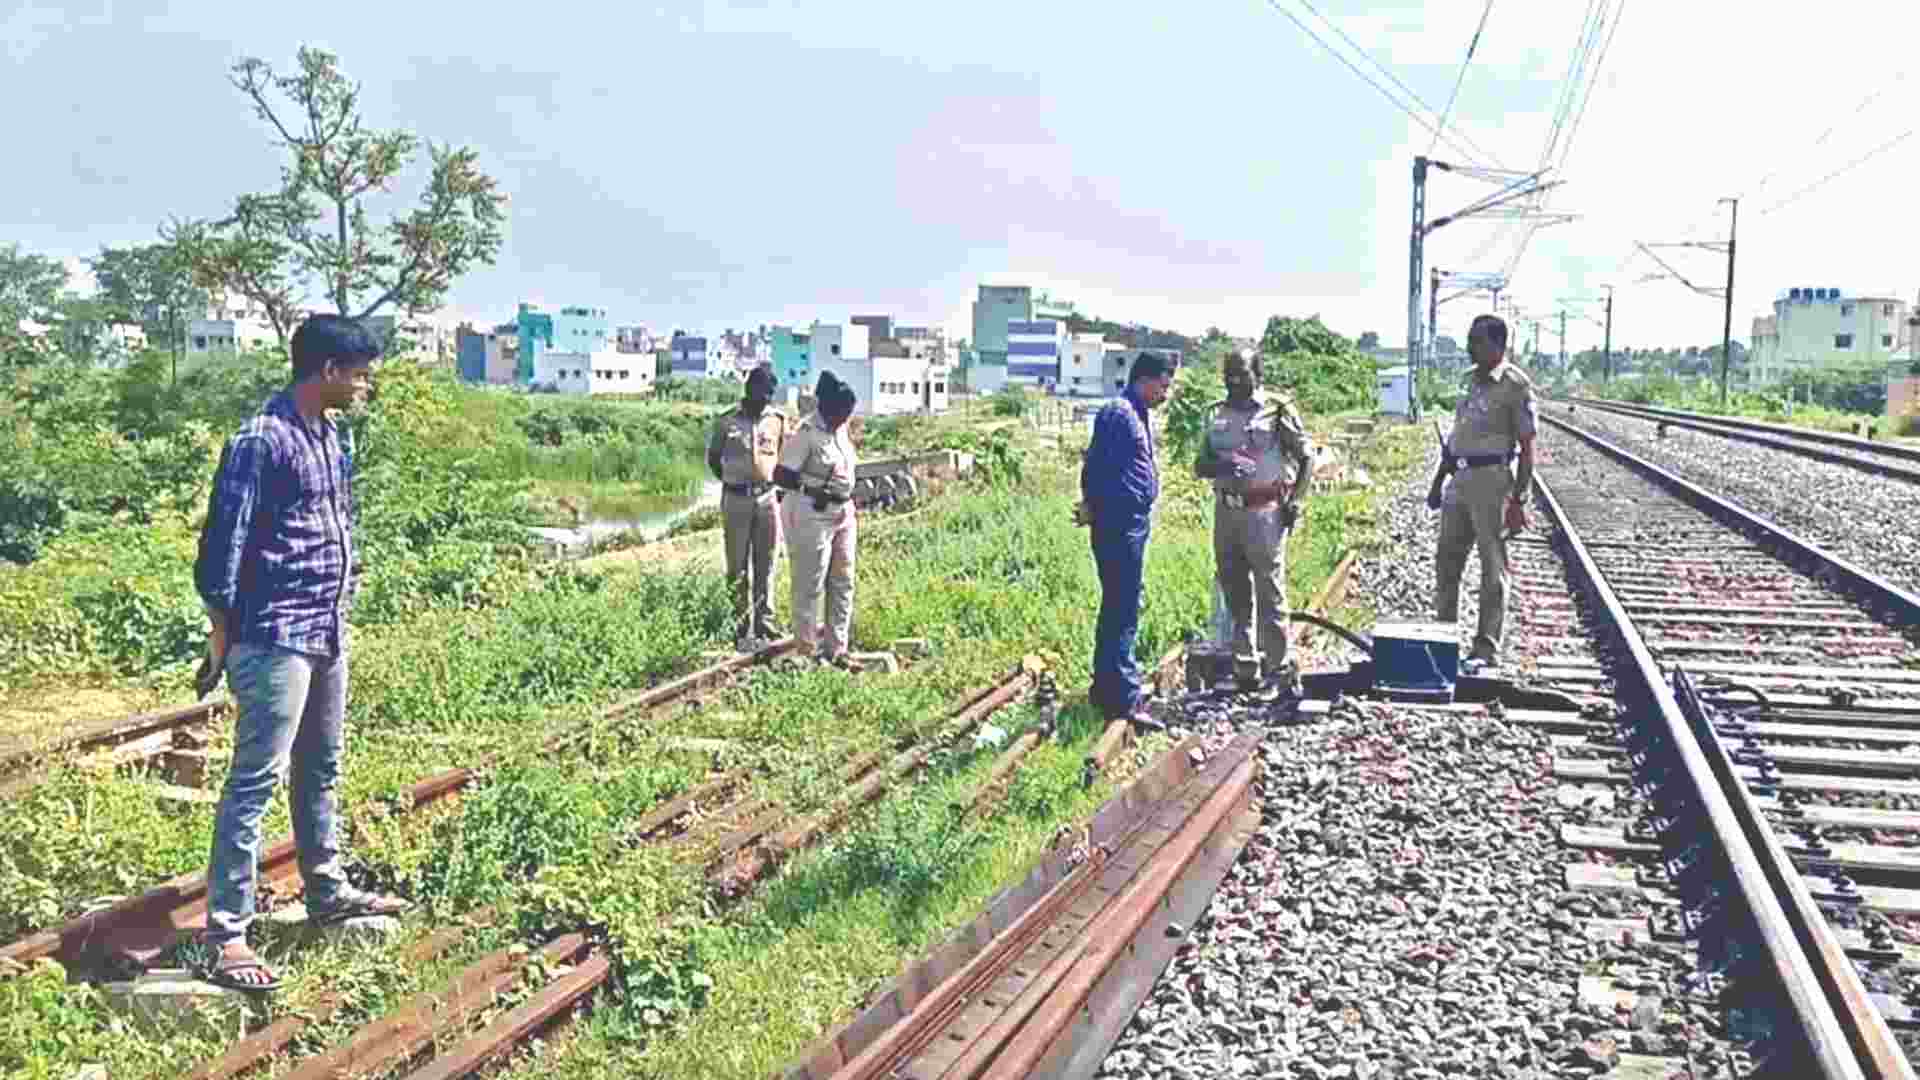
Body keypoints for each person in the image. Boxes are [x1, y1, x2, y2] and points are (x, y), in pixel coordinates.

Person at [188, 314, 411, 992]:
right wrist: (221, 637)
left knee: (322, 765)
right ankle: (227, 932)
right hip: (275, 632)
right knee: (257, 779)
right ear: (328, 372)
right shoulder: (263, 439)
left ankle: (326, 889)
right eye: (361, 373)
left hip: (326, 629)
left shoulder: (330, 435)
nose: (367, 384)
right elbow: (222, 547)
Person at [1194, 349, 1312, 691]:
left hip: (1265, 513)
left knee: (1270, 592)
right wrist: (1223, 466)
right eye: (1228, 374)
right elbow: (1200, 465)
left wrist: (1297, 502)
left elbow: (1306, 458)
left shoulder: (1277, 411)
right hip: (1226, 513)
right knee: (1234, 590)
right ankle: (1245, 665)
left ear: (1257, 374)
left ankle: (1279, 669)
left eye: (1241, 373)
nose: (1233, 381)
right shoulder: (1215, 414)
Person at [1433, 313, 1537, 673]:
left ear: (1498, 344)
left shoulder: (1514, 385)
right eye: (1470, 339)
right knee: (1447, 563)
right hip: (1459, 480)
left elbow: (1527, 448)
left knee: (1492, 568)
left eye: (1477, 340)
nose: (1469, 347)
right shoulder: (1468, 383)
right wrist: (1437, 482)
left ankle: (1485, 649)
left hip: (1493, 481)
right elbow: (1455, 439)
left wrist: (1519, 501)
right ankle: (1443, 639)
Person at [1080, 352, 1175, 726]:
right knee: (1123, 608)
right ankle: (1123, 698)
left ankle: (1107, 688)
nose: (1166, 394)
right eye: (1163, 386)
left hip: (1128, 521)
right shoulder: (1119, 413)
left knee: (1120, 605)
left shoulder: (1137, 413)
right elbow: (1096, 467)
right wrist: (1096, 507)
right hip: (1119, 524)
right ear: (1145, 379)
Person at [776, 371, 863, 671]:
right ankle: (806, 651)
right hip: (810, 512)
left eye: (848, 413)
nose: (845, 418)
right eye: (841, 412)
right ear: (827, 408)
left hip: (842, 514)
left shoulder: (840, 430)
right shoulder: (806, 434)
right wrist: (817, 489)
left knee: (843, 580)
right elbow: (782, 475)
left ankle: (837, 649)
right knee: (810, 582)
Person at [708, 365, 789, 650]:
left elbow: (783, 457)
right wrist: (735, 482)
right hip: (736, 501)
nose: (764, 399)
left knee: (766, 564)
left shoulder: (778, 420)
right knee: (737, 567)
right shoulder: (726, 421)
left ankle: (765, 624)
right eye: (760, 394)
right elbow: (714, 459)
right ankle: (740, 626)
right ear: (748, 391)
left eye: (768, 395)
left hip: (767, 500)